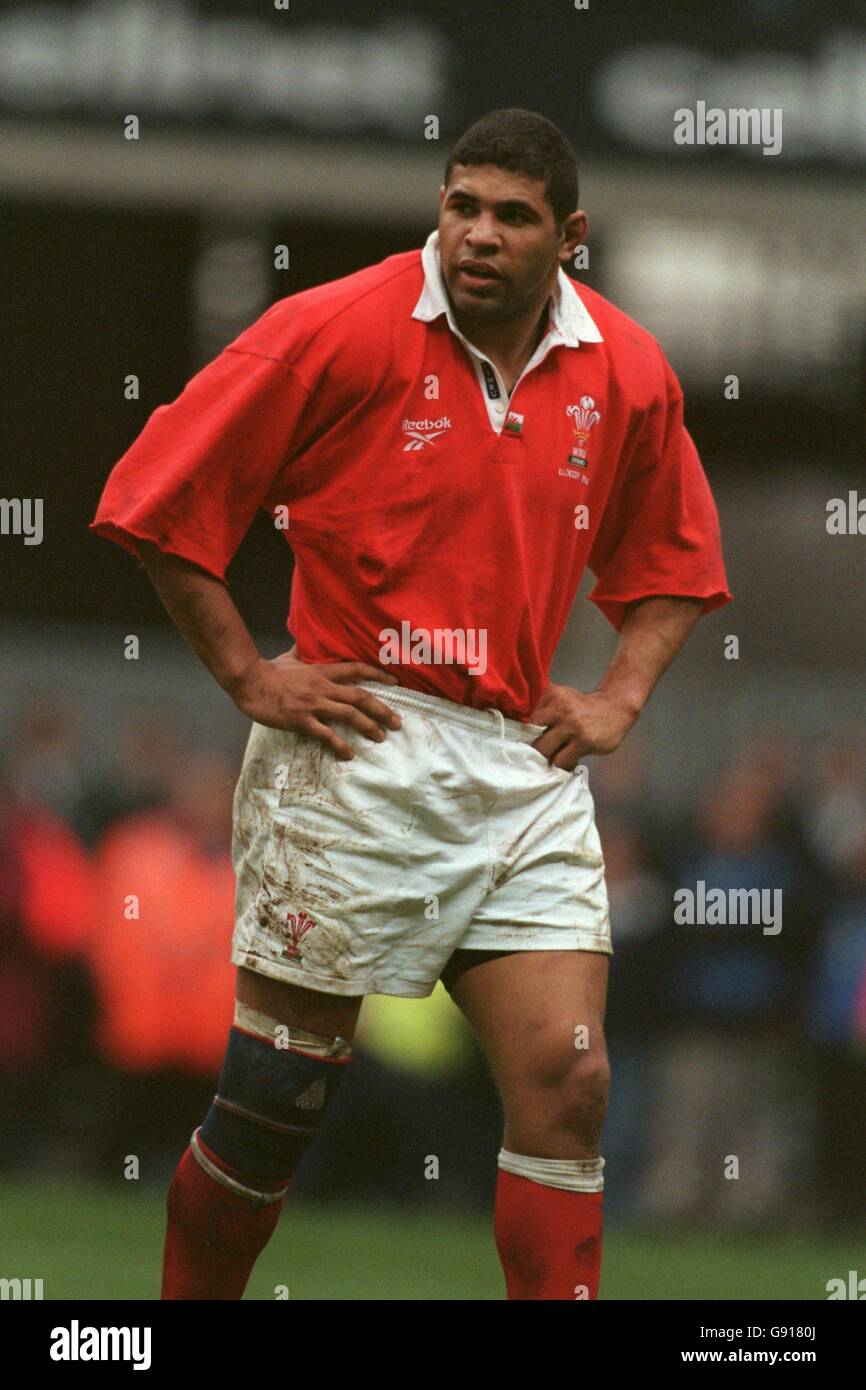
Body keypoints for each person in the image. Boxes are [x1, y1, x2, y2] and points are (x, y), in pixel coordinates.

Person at [90, 107, 732, 1300]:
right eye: (459, 205)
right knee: (274, 1104)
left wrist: (619, 699)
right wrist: (249, 674)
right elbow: (154, 499)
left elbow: (676, 567)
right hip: (351, 743)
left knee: (571, 1082)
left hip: (523, 766)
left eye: (510, 215)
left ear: (569, 235)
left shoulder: (627, 369)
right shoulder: (331, 326)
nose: (475, 235)